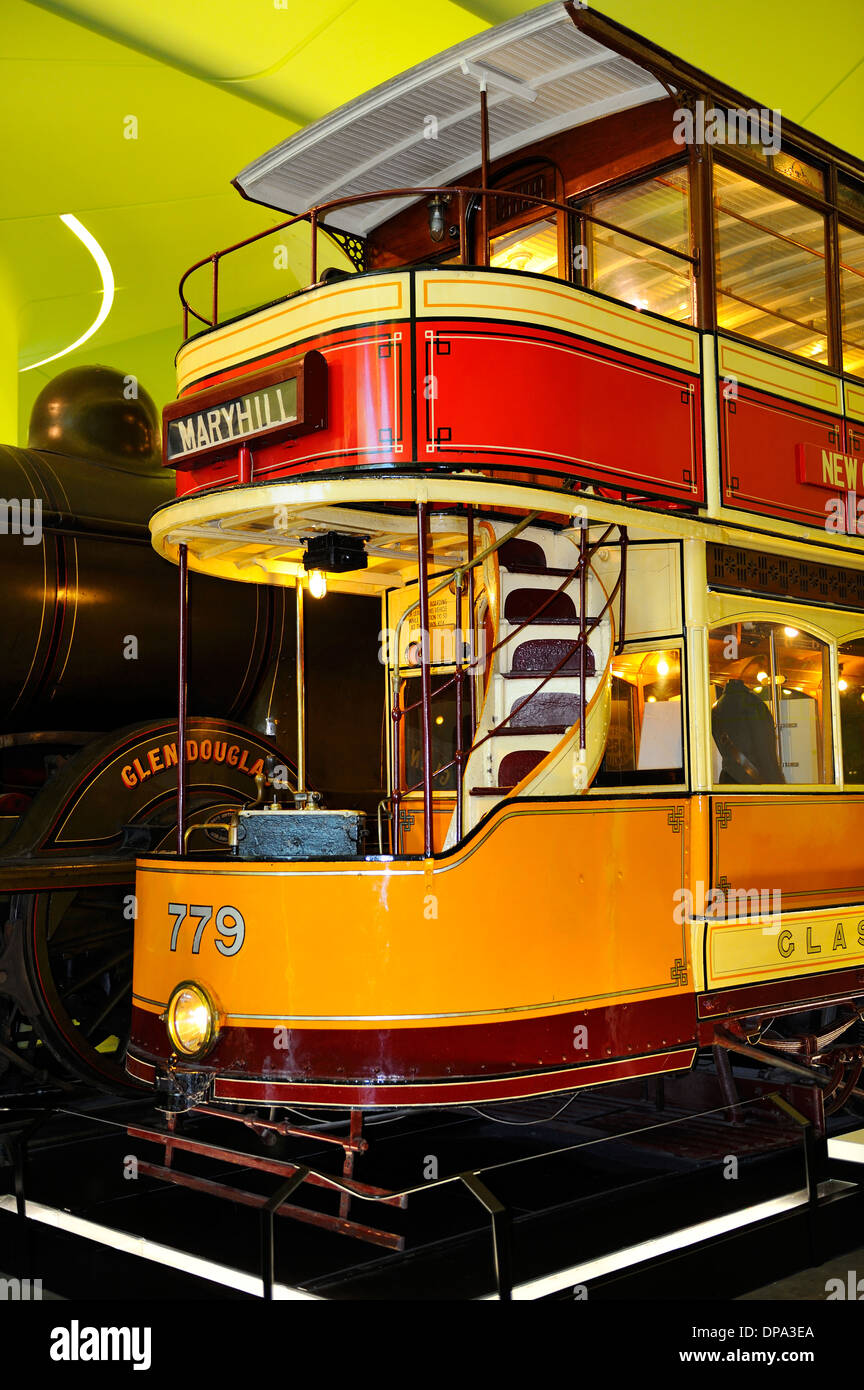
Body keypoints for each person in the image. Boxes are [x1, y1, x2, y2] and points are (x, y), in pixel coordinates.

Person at [711, 678, 784, 784]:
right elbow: (766, 752)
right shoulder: (755, 704)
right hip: (754, 782)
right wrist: (777, 784)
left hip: (727, 780)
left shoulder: (715, 709)